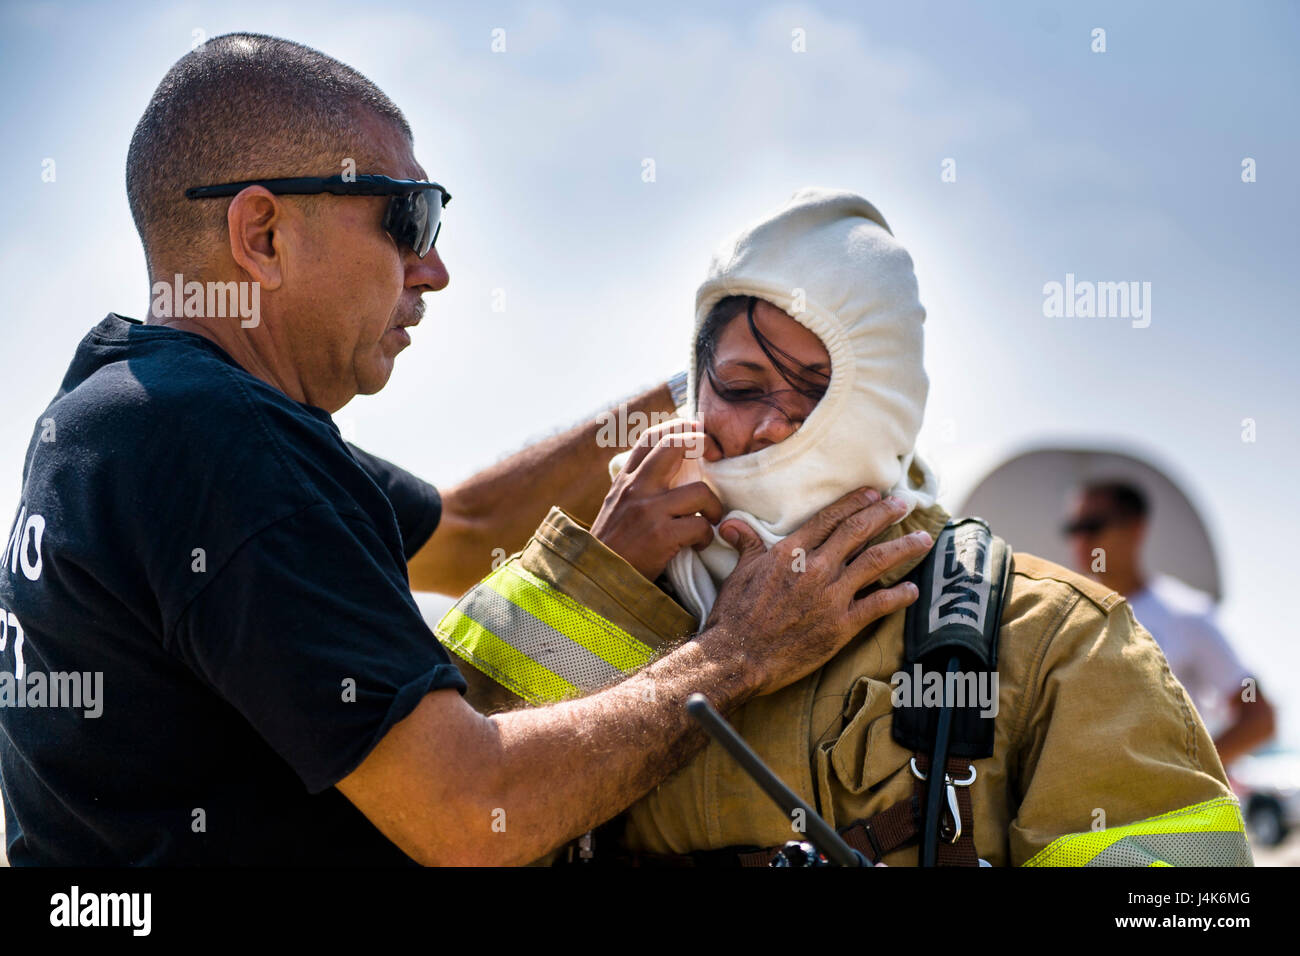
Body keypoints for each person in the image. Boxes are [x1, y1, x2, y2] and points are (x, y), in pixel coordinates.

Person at [0, 35, 930, 866]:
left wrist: (726, 376)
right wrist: (740, 655)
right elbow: (471, 813)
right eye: (408, 217)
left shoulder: (119, 412)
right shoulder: (216, 447)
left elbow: (469, 527)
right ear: (263, 233)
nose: (435, 270)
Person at [440, 188, 1253, 866]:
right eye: (741, 383)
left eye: (812, 392)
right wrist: (591, 583)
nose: (764, 428)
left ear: (883, 408)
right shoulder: (593, 585)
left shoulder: (1053, 639)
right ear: (696, 387)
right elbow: (438, 810)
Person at [1063, 480, 1275, 766]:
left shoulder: (1186, 615)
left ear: (1136, 528)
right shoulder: (1063, 615)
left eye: (1093, 525)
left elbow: (1259, 717)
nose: (1081, 539)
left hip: (1160, 810)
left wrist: (1185, 775)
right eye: (1073, 529)